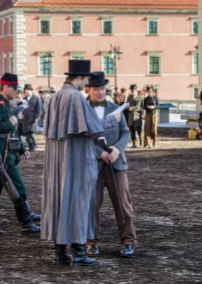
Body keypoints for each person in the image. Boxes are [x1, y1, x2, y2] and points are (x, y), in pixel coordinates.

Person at [42, 59, 123, 265]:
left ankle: (60, 252)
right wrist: (112, 119)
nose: (86, 84)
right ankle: (78, 252)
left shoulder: (54, 98)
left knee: (60, 202)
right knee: (79, 201)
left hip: (57, 163)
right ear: (78, 78)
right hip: (76, 161)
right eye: (86, 80)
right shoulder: (76, 98)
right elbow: (94, 127)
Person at [0, 73, 40, 236]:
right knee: (17, 185)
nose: (16, 91)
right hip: (1, 154)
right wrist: (9, 123)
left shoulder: (4, 104)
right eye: (14, 88)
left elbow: (9, 134)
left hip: (4, 151)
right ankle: (25, 222)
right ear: (6, 87)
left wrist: (20, 148)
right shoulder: (0, 105)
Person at [84, 72, 136, 259]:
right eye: (96, 89)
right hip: (92, 166)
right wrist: (100, 153)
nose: (100, 92)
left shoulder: (115, 109)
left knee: (123, 205)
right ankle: (90, 242)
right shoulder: (82, 110)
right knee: (91, 205)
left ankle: (128, 242)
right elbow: (82, 138)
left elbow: (125, 133)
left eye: (102, 89)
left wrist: (117, 150)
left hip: (116, 164)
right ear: (88, 90)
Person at [19, 84, 41, 152]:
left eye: (28, 90)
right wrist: (21, 114)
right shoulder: (24, 99)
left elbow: (39, 109)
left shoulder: (36, 98)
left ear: (31, 90)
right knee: (26, 132)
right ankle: (30, 146)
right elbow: (22, 108)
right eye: (25, 90)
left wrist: (37, 117)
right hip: (25, 119)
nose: (26, 91)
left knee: (31, 132)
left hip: (32, 118)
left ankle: (34, 145)